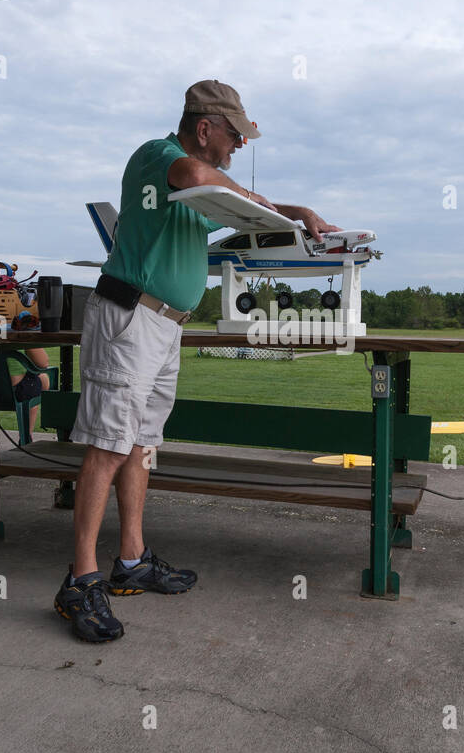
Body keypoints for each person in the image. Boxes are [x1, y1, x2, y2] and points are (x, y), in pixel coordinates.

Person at [54, 80, 339, 643]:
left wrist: (294, 213)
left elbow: (229, 206)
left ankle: (131, 560)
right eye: (234, 135)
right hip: (130, 317)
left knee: (140, 444)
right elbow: (197, 175)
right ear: (203, 128)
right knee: (108, 445)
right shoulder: (161, 159)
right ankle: (79, 582)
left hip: (164, 326)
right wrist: (251, 196)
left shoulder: (198, 198)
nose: (238, 147)